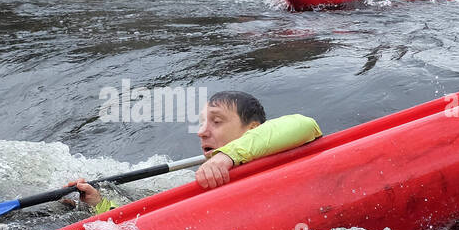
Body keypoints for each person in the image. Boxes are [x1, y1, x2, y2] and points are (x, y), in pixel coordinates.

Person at [72, 92, 322, 212]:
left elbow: (304, 124)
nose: (202, 132)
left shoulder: (277, 151)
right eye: (202, 122)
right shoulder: (204, 182)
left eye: (216, 121)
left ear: (252, 129)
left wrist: (227, 156)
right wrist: (97, 203)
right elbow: (150, 228)